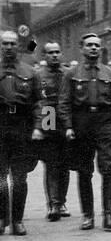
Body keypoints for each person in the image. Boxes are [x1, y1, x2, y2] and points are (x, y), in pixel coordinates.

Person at [58, 33, 111, 230]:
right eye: (89, 45)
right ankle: (88, 215)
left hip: (106, 123)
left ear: (101, 49)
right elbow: (63, 102)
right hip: (82, 123)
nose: (93, 49)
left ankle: (109, 215)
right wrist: (68, 126)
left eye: (97, 46)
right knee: (84, 171)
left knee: (108, 169)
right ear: (82, 48)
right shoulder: (71, 74)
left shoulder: (110, 74)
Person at [0, 29, 43, 235]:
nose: (8, 47)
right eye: (5, 43)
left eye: (12, 44)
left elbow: (40, 103)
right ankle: (1, 219)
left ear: (18, 46)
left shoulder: (30, 72)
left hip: (21, 128)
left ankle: (17, 220)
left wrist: (41, 128)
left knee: (20, 178)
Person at [33, 41, 70, 220]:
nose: (55, 55)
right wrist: (38, 126)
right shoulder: (38, 76)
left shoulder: (68, 73)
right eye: (50, 52)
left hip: (66, 119)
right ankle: (53, 204)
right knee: (51, 163)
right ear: (44, 56)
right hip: (49, 117)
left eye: (57, 52)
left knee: (65, 164)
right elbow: (37, 101)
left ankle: (61, 202)